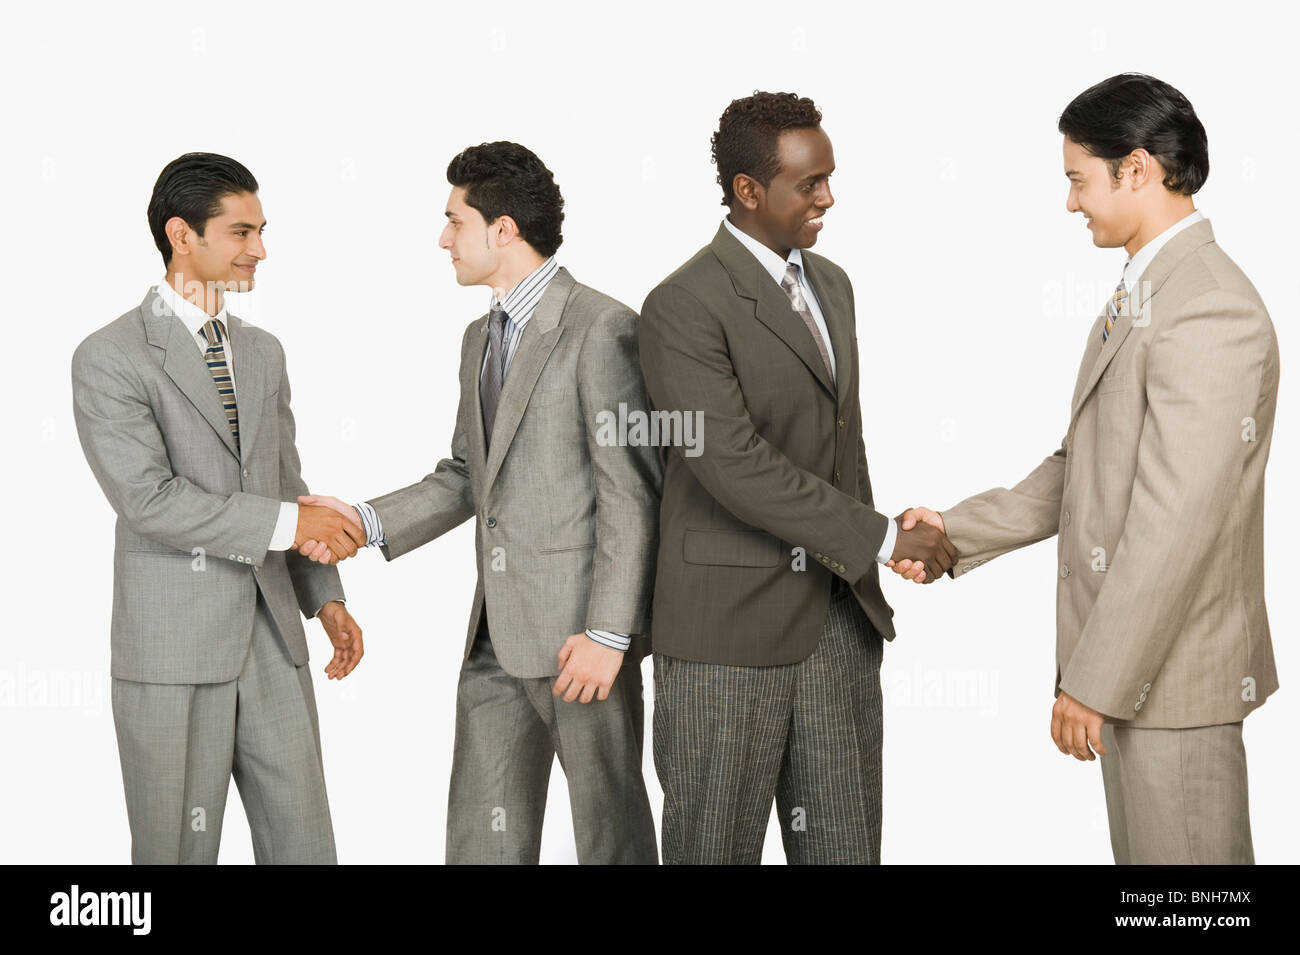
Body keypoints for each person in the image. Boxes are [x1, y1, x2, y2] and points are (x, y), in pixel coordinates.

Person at [891, 73, 1278, 865]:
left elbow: (1175, 525)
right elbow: (1084, 465)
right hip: (1144, 681)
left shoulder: (1208, 306)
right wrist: (952, 531)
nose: (1070, 203)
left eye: (1078, 179)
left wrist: (1094, 681)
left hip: (1172, 685)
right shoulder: (1147, 291)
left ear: (1136, 169)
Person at [301, 142, 660, 864]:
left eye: (454, 220)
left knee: (611, 837)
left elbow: (632, 492)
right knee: (480, 841)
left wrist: (610, 633)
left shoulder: (603, 327)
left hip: (582, 641)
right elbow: (470, 475)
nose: (443, 239)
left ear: (503, 229)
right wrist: (363, 521)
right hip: (493, 637)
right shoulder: (479, 337)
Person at [637, 92, 956, 865]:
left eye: (829, 178)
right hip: (726, 641)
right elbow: (733, 462)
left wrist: (887, 545)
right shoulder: (681, 304)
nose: (828, 197)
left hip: (839, 625)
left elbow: (843, 442)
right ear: (749, 190)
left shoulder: (833, 284)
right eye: (809, 183)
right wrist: (882, 537)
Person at [71, 152, 366, 864]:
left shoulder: (263, 352)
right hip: (173, 647)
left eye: (261, 231)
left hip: (273, 638)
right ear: (181, 235)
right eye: (241, 232)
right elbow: (149, 499)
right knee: (175, 852)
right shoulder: (109, 356)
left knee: (306, 847)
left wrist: (325, 598)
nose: (259, 249)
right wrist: (293, 524)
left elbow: (286, 481)